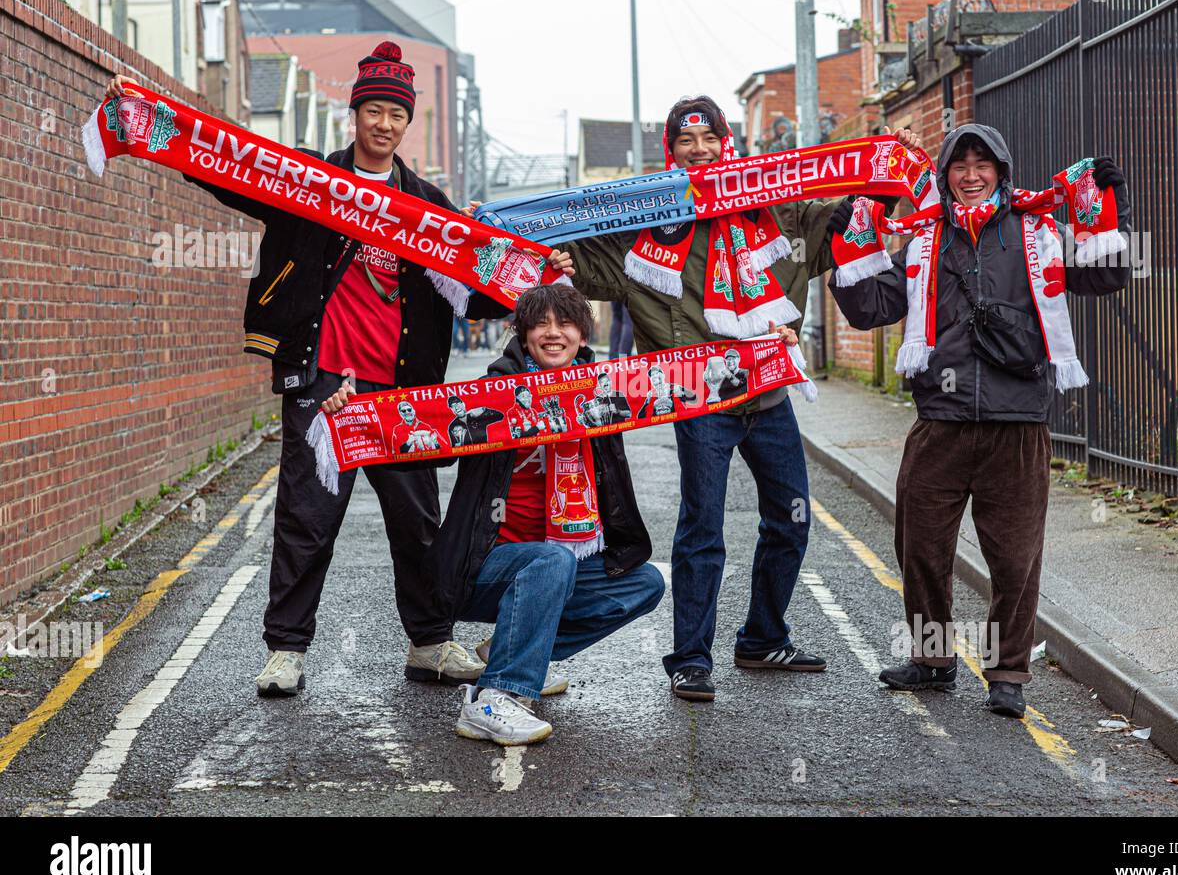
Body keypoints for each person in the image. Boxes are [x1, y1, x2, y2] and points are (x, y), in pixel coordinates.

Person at [107, 44, 565, 698]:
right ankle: (286, 650)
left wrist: (542, 276)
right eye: (373, 109)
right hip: (324, 382)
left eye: (396, 113)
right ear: (354, 115)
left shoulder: (428, 206)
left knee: (417, 522)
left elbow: (480, 288)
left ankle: (430, 641)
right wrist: (154, 123)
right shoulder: (312, 182)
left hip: (403, 391)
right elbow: (229, 168)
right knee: (307, 517)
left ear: (407, 124)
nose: (384, 123)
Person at [548, 93, 925, 701]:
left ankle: (761, 637)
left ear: (730, 145)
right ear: (671, 152)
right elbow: (576, 256)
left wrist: (885, 169)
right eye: (685, 143)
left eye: (709, 141)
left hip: (769, 396)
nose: (699, 151)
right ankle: (691, 660)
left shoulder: (776, 209)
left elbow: (843, 221)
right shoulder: (647, 228)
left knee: (792, 519)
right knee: (702, 531)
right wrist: (532, 239)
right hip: (701, 404)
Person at [827, 123, 1130, 718]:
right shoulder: (920, 239)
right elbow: (871, 308)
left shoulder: (1038, 231)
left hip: (1017, 421)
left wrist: (1108, 208)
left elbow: (1105, 274)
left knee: (1014, 559)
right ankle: (933, 661)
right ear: (944, 175)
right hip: (939, 419)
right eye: (959, 165)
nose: (970, 174)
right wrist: (849, 241)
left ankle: (1007, 674)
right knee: (921, 547)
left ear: (1001, 170)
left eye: (982, 163)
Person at [422, 284, 666, 745]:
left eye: (566, 323)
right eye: (540, 324)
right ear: (522, 332)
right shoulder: (492, 393)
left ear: (582, 332)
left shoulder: (601, 394)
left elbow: (687, 381)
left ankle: (510, 654)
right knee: (551, 559)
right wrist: (346, 408)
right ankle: (495, 696)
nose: (553, 334)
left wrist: (769, 350)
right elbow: (422, 437)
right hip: (485, 567)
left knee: (646, 583)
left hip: (556, 567)